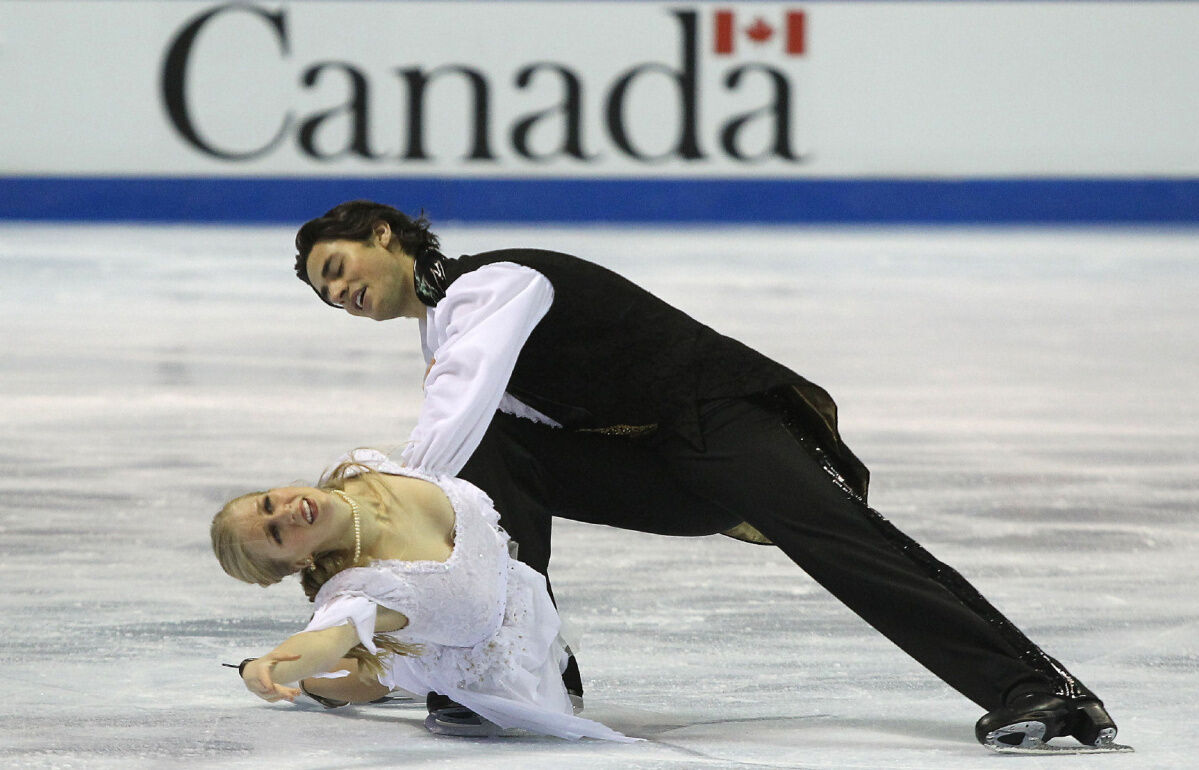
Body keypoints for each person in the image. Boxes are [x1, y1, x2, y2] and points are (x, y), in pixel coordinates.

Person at [289, 200, 1122, 752]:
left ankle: (1038, 691)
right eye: (327, 295)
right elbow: (482, 455)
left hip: (718, 418)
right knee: (490, 466)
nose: (340, 295)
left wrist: (365, 520)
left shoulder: (494, 282)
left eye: (338, 269)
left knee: (843, 544)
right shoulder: (440, 333)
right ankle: (514, 659)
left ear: (383, 236)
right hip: (655, 466)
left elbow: (455, 412)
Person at [210, 448, 635, 742]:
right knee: (381, 674)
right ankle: (312, 685)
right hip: (485, 664)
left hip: (505, 593)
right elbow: (326, 639)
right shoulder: (365, 589)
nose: (285, 512)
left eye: (268, 504)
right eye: (277, 534)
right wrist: (268, 668)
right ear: (301, 561)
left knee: (393, 661)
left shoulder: (365, 470)